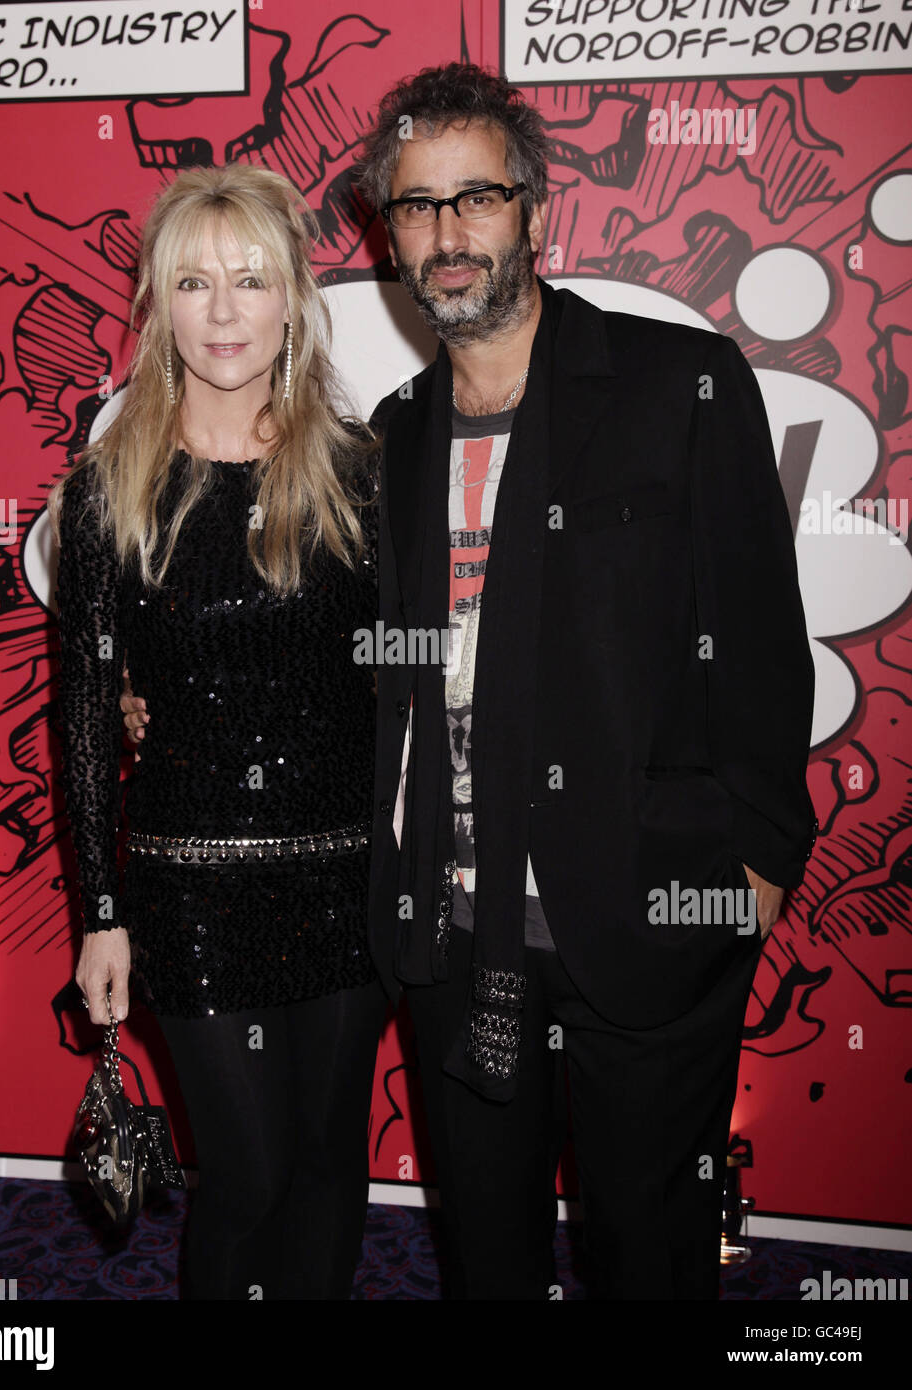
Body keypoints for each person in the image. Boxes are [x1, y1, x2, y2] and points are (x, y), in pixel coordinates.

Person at [353, 63, 818, 1299]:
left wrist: (757, 866)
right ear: (388, 234)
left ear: (537, 211)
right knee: (486, 1255)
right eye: (416, 207)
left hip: (653, 915)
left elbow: (762, 647)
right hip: (455, 936)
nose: (448, 237)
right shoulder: (390, 442)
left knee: (646, 1251)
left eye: (477, 199)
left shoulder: (682, 385)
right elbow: (368, 667)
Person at [50, 162, 387, 1301]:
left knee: (328, 1160)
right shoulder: (111, 488)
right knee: (244, 1175)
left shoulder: (355, 477)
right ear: (160, 303)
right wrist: (101, 911)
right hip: (190, 889)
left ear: (293, 295)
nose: (226, 311)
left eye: (251, 280)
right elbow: (89, 713)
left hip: (346, 878)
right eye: (195, 283)